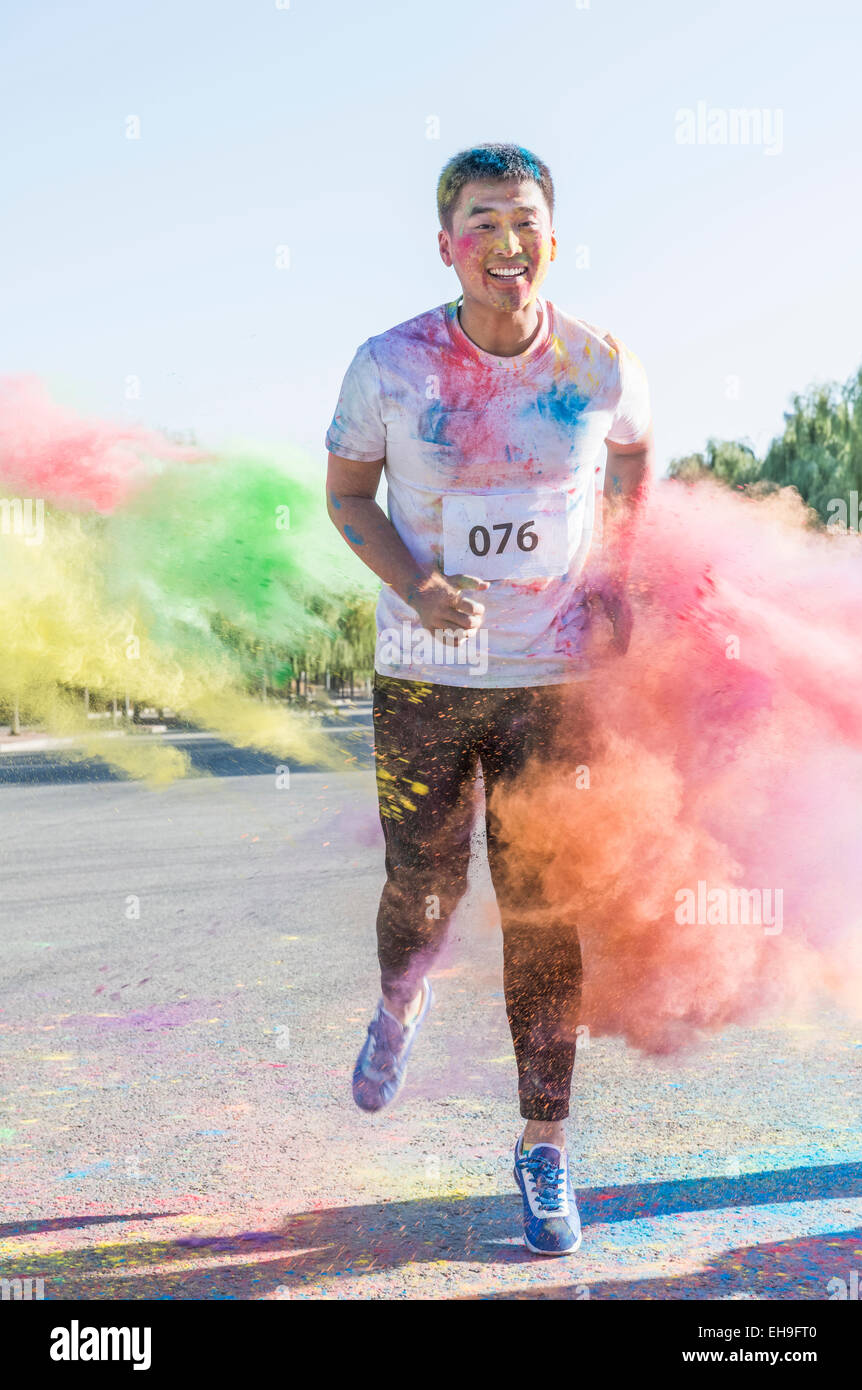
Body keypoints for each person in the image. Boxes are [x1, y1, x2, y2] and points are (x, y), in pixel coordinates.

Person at [325, 143, 653, 1256]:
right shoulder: (389, 365)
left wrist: (615, 571)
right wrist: (419, 584)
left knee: (543, 917)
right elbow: (346, 494)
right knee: (421, 888)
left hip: (550, 687)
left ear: (553, 237)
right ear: (446, 244)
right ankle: (400, 1001)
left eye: (526, 221)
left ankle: (545, 1145)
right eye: (483, 222)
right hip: (425, 678)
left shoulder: (601, 362)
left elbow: (634, 455)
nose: (508, 243)